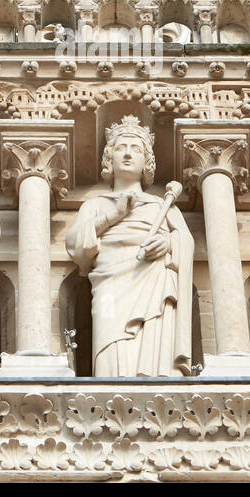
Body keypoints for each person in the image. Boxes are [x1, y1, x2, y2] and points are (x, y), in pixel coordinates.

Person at [65, 117, 193, 376]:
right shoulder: (96, 204)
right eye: (120, 148)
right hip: (110, 282)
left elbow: (185, 241)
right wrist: (113, 215)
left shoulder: (160, 205)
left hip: (152, 280)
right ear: (108, 159)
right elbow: (77, 249)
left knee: (151, 340)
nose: (126, 154)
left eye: (135, 149)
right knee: (109, 339)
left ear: (147, 161)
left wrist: (168, 243)